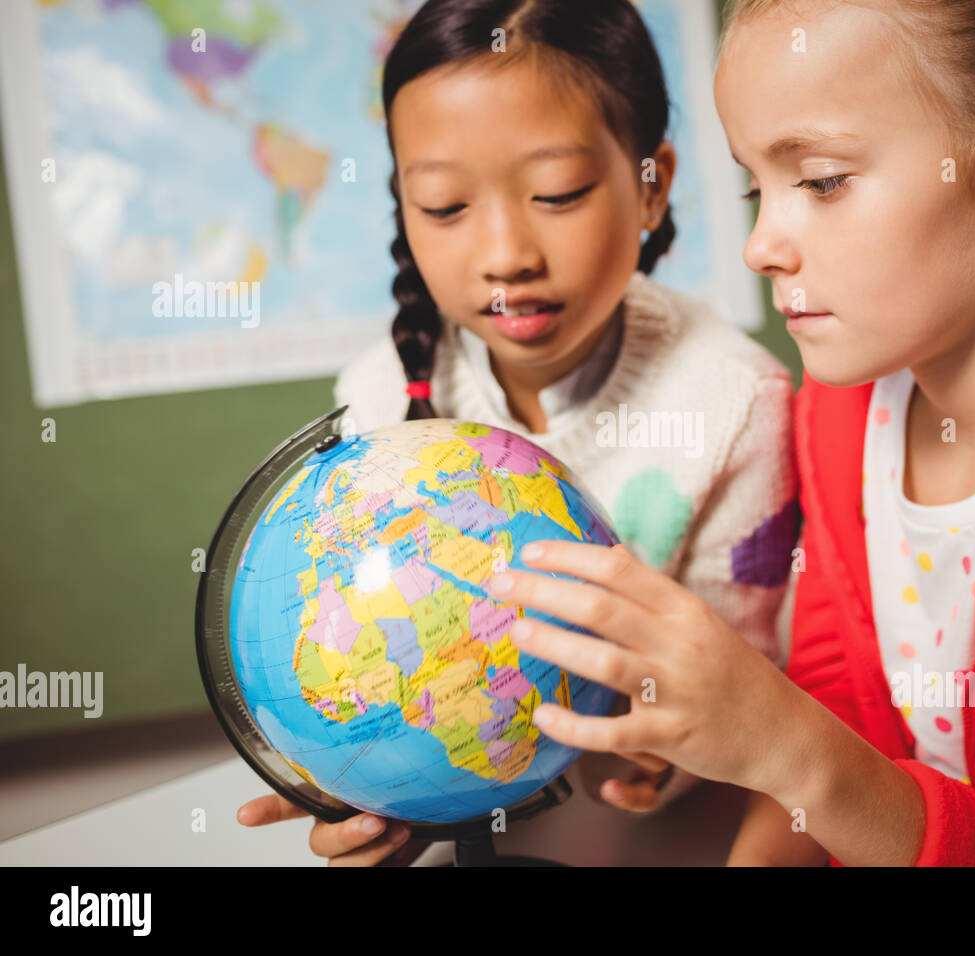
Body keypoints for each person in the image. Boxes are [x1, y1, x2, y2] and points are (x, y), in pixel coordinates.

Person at [478, 0, 975, 865]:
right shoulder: (844, 413)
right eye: (759, 187)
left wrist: (771, 731)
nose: (762, 246)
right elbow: (845, 710)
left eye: (823, 181)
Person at [236, 0, 798, 865]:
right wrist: (370, 788)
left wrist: (655, 754)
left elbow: (749, 685)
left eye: (556, 194)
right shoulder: (381, 395)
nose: (506, 252)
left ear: (651, 184)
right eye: (444, 205)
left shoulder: (735, 401)